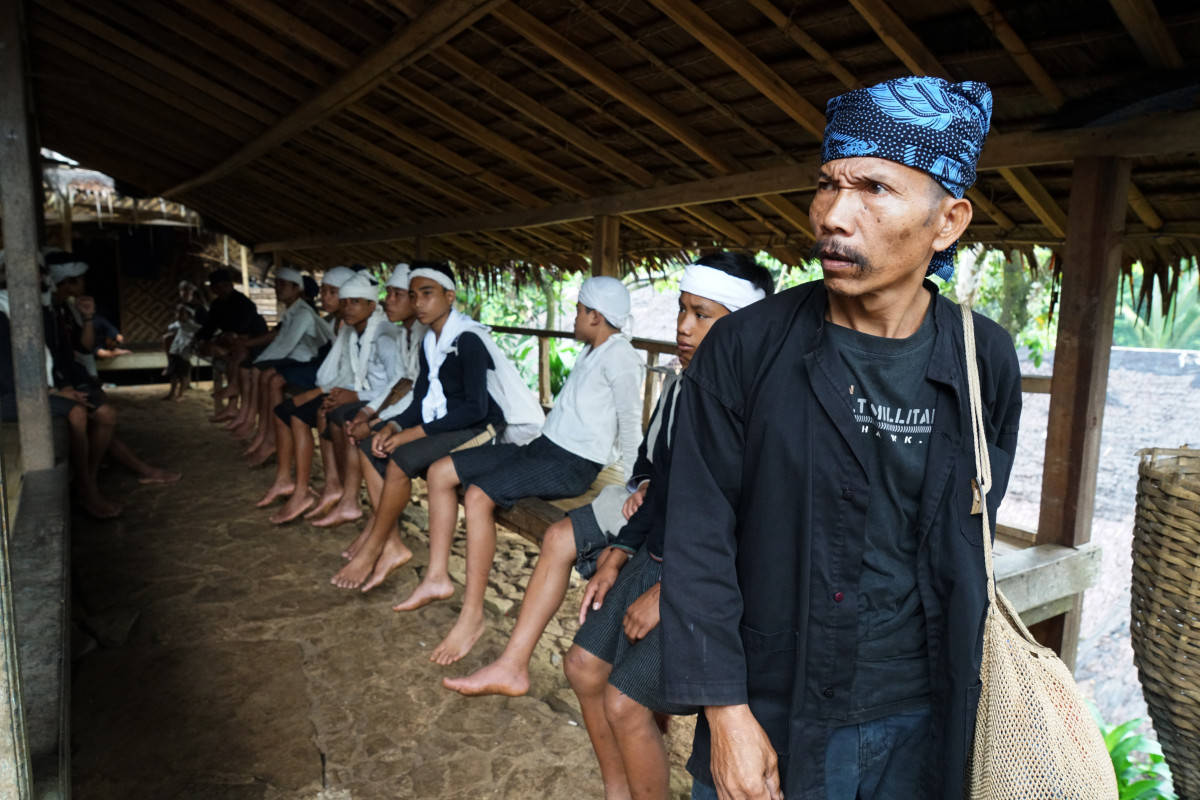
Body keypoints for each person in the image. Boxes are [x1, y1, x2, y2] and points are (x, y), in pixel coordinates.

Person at [660, 77, 1021, 800]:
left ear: (947, 222)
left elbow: (962, 532)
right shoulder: (745, 349)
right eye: (828, 185)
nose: (833, 216)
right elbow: (698, 537)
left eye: (873, 189)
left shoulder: (983, 360)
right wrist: (727, 715)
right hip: (774, 706)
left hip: (922, 712)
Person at [401, 275, 643, 666]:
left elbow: (632, 427)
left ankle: (472, 614)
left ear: (595, 316)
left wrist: (633, 487)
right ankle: (436, 576)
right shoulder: (594, 351)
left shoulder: (621, 357)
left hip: (574, 464)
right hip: (545, 448)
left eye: (579, 311)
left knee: (479, 495)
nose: (575, 317)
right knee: (443, 470)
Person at [330, 262, 542, 593]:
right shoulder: (432, 341)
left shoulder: (468, 339)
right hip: (454, 424)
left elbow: (476, 408)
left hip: (485, 430)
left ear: (450, 296)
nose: (418, 303)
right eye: (414, 295)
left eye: (427, 294)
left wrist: (410, 434)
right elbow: (422, 399)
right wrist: (391, 425)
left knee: (401, 458)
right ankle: (391, 544)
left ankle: (375, 546)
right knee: (375, 446)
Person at [258, 273, 402, 524]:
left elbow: (397, 388)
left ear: (371, 305)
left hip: (385, 402)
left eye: (355, 302)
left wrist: (352, 395)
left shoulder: (384, 337)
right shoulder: (354, 332)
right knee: (323, 411)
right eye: (345, 302)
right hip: (364, 394)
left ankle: (349, 496)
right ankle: (333, 490)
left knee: (339, 417)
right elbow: (348, 374)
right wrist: (337, 393)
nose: (347, 307)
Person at [46, 251, 181, 493]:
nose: (85, 283)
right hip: (59, 379)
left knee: (104, 418)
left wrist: (87, 317)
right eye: (80, 279)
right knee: (104, 416)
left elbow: (83, 346)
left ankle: (98, 477)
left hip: (71, 375)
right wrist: (56, 387)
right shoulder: (46, 311)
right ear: (67, 282)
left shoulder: (66, 309)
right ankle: (89, 482)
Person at [0, 250, 121, 518]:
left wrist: (69, 385)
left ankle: (86, 480)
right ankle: (88, 491)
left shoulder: (43, 309)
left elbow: (71, 353)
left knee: (106, 413)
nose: (39, 277)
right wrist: (54, 392)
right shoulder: (3, 310)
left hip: (47, 387)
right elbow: (7, 372)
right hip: (9, 395)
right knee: (76, 412)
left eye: (39, 272)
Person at [314, 263, 425, 527]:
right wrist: (367, 412)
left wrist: (375, 420)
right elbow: (401, 385)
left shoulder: (393, 335)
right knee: (344, 418)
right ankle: (348, 496)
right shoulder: (402, 334)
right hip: (402, 404)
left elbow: (414, 390)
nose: (389, 301)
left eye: (398, 295)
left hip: (431, 416)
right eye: (389, 294)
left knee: (363, 435)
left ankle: (378, 522)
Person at [238, 268, 333, 465]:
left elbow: (284, 346)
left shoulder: (304, 314)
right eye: (277, 284)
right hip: (303, 360)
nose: (277, 289)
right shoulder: (293, 312)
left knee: (268, 376)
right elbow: (281, 343)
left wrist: (260, 363)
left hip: (310, 362)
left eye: (282, 285)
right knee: (263, 374)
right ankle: (264, 432)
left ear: (296, 288)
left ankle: (269, 437)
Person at [196, 268, 266, 421]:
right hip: (232, 344)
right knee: (220, 349)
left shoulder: (244, 303)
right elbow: (209, 327)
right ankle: (232, 406)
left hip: (253, 343)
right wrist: (201, 339)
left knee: (236, 352)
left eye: (223, 286)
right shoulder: (216, 305)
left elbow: (241, 331)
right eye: (216, 287)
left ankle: (234, 404)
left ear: (230, 285)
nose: (220, 290)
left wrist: (226, 336)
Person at [162, 304, 201, 401]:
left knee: (183, 375)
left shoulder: (191, 325)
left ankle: (180, 395)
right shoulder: (179, 324)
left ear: (188, 315)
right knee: (173, 374)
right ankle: (172, 393)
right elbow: (170, 327)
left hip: (184, 353)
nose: (179, 315)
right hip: (175, 352)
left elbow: (201, 330)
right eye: (178, 313)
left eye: (182, 313)